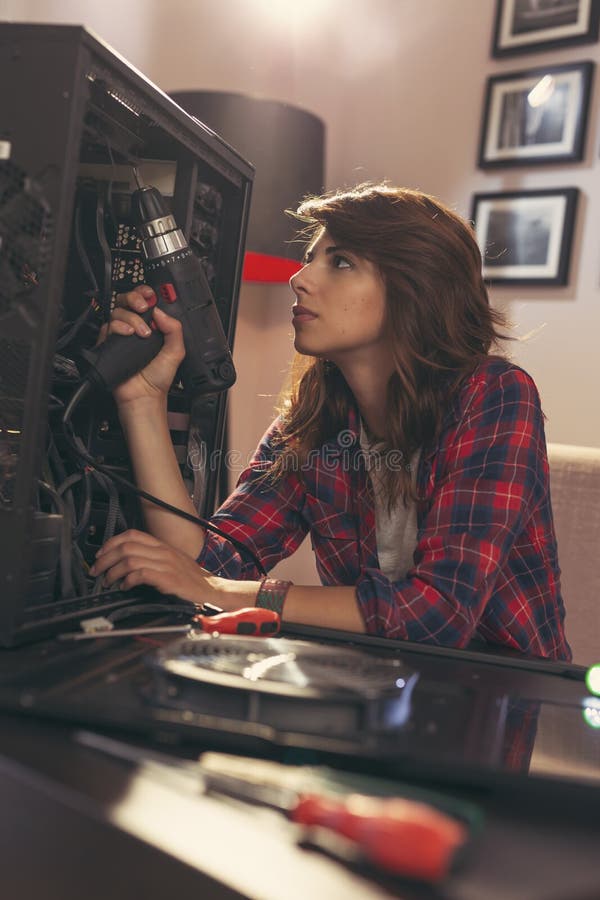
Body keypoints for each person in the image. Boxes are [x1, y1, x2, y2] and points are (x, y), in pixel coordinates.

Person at [90, 183, 571, 661]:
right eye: (310, 258)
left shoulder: (495, 395)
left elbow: (437, 613)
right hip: (368, 685)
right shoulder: (314, 416)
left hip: (502, 698)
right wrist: (143, 403)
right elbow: (207, 564)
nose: (299, 278)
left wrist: (223, 589)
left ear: (416, 288)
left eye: (340, 262)